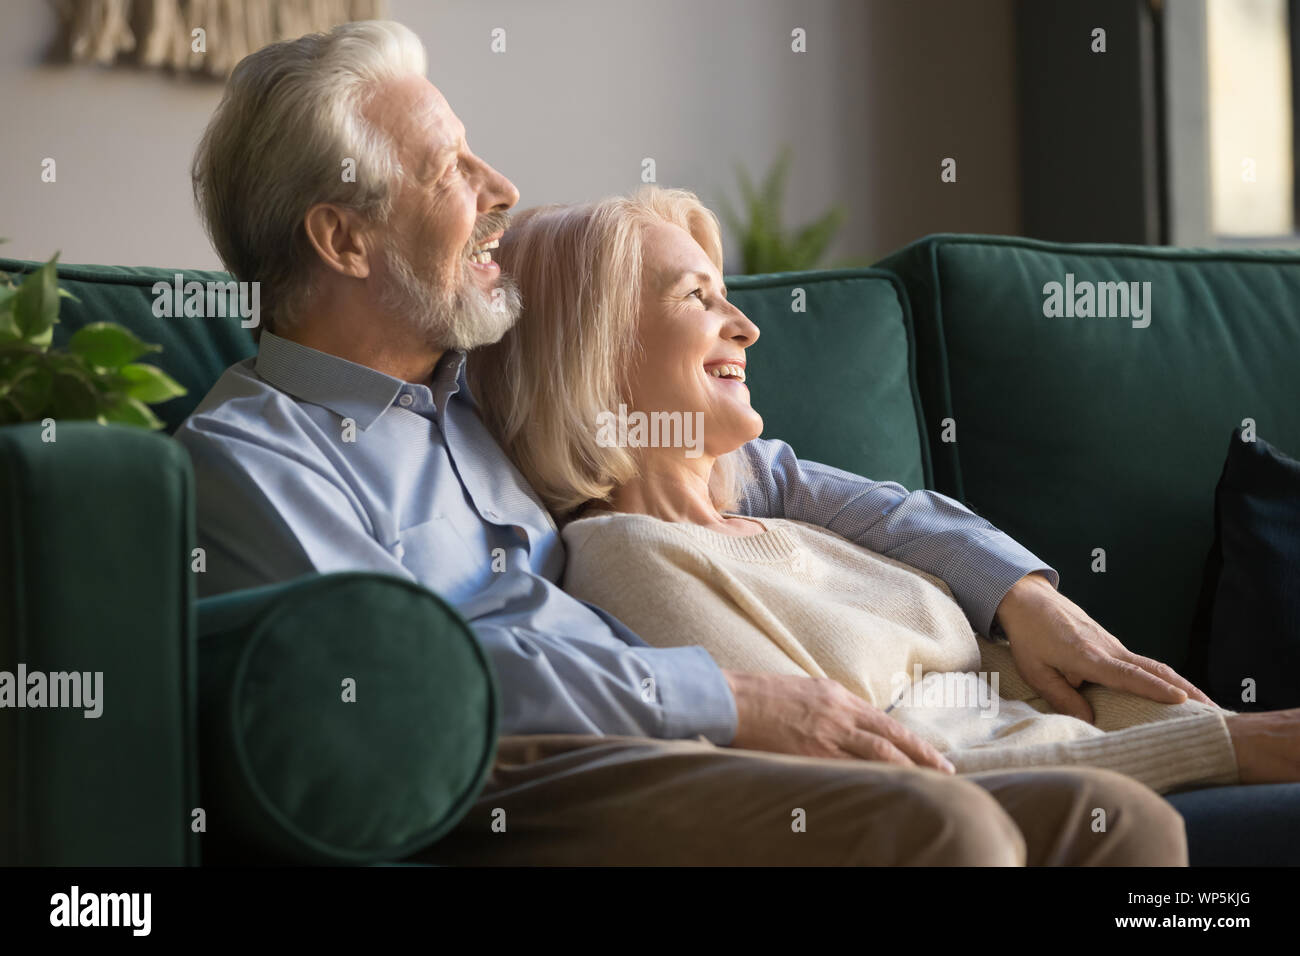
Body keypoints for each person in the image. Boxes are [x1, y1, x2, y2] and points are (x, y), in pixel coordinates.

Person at [178, 19, 1193, 864]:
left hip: (656, 743)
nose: (498, 187)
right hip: (497, 782)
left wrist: (1018, 591)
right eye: (449, 168)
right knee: (947, 831)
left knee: (1116, 826)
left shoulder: (486, 396)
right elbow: (397, 683)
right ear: (343, 239)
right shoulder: (252, 458)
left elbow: (780, 478)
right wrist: (721, 697)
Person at [469, 185, 1300, 798]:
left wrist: (1211, 730)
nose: (747, 327)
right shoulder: (629, 558)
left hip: (1143, 765)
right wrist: (1221, 749)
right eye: (697, 297)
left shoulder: (773, 510)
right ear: (598, 352)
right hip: (1076, 804)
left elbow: (1020, 683)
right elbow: (875, 782)